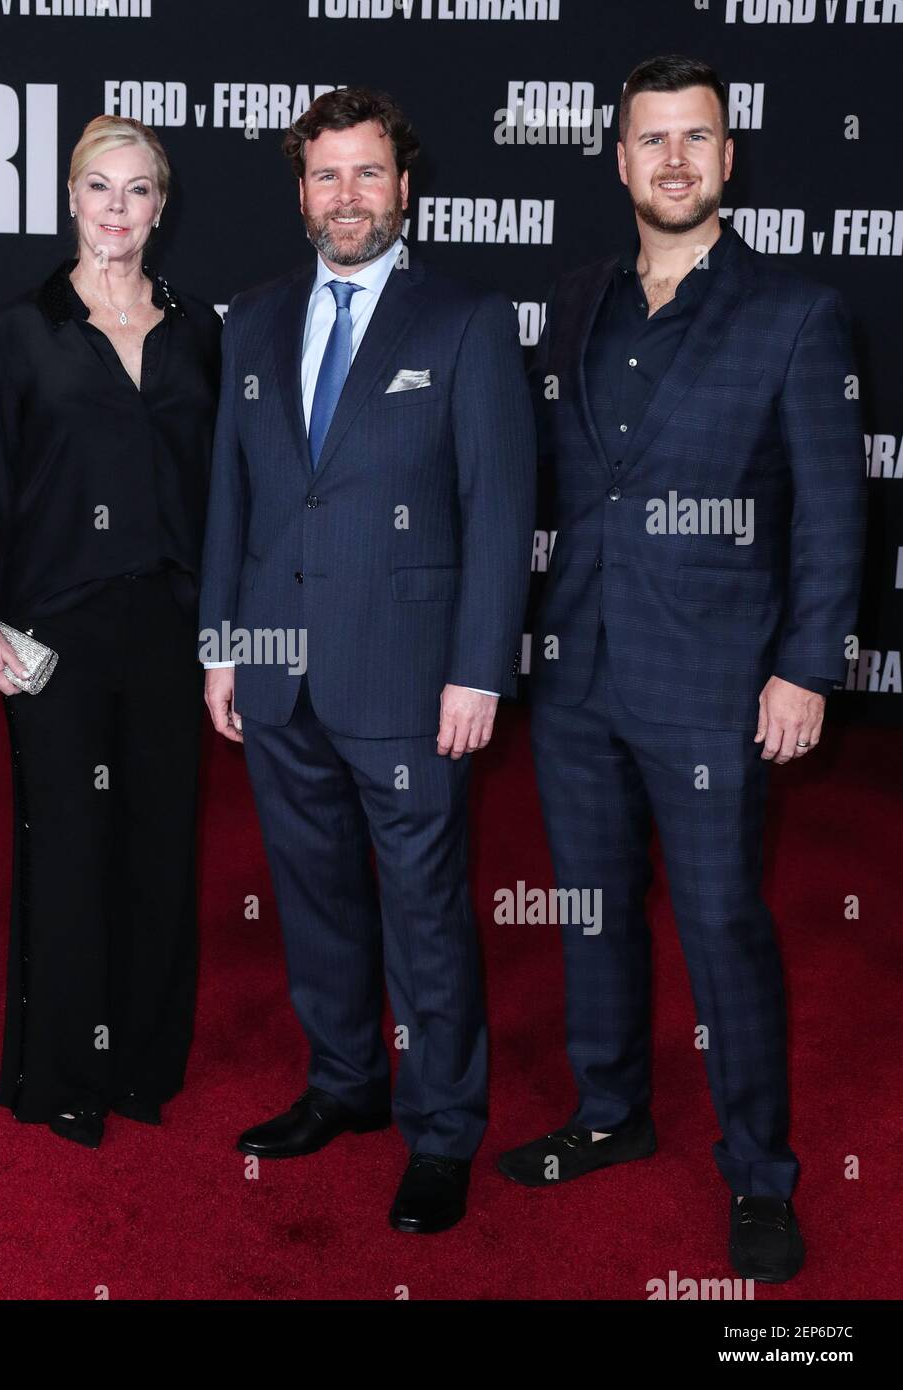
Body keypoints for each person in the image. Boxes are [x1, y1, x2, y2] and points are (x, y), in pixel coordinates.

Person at [496, 55, 867, 1283]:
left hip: (715, 680)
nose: (671, 160)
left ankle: (759, 1168)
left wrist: (806, 666)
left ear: (726, 156)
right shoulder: (575, 295)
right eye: (649, 139)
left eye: (693, 139)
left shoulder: (794, 314)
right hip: (577, 672)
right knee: (591, 909)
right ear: (617, 158)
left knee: (721, 924)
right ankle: (611, 1111)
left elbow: (831, 509)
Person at [200, 88, 536, 1234]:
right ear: (301, 194)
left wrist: (478, 670)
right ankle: (343, 1083)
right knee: (314, 898)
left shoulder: (465, 321)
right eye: (325, 175)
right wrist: (221, 647)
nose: (346, 196)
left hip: (408, 677)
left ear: (404, 188)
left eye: (366, 174)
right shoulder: (250, 319)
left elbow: (498, 510)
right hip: (276, 670)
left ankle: (442, 1128)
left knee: (425, 912)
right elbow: (231, 504)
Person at [0, 115, 222, 1150]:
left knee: (159, 848)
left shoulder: (199, 329)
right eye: (99, 188)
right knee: (65, 848)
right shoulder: (22, 328)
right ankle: (61, 1069)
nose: (117, 208)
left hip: (168, 625)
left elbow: (219, 489)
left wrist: (226, 630)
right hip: (52, 631)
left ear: (163, 204)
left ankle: (145, 1061)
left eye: (138, 190)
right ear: (70, 197)